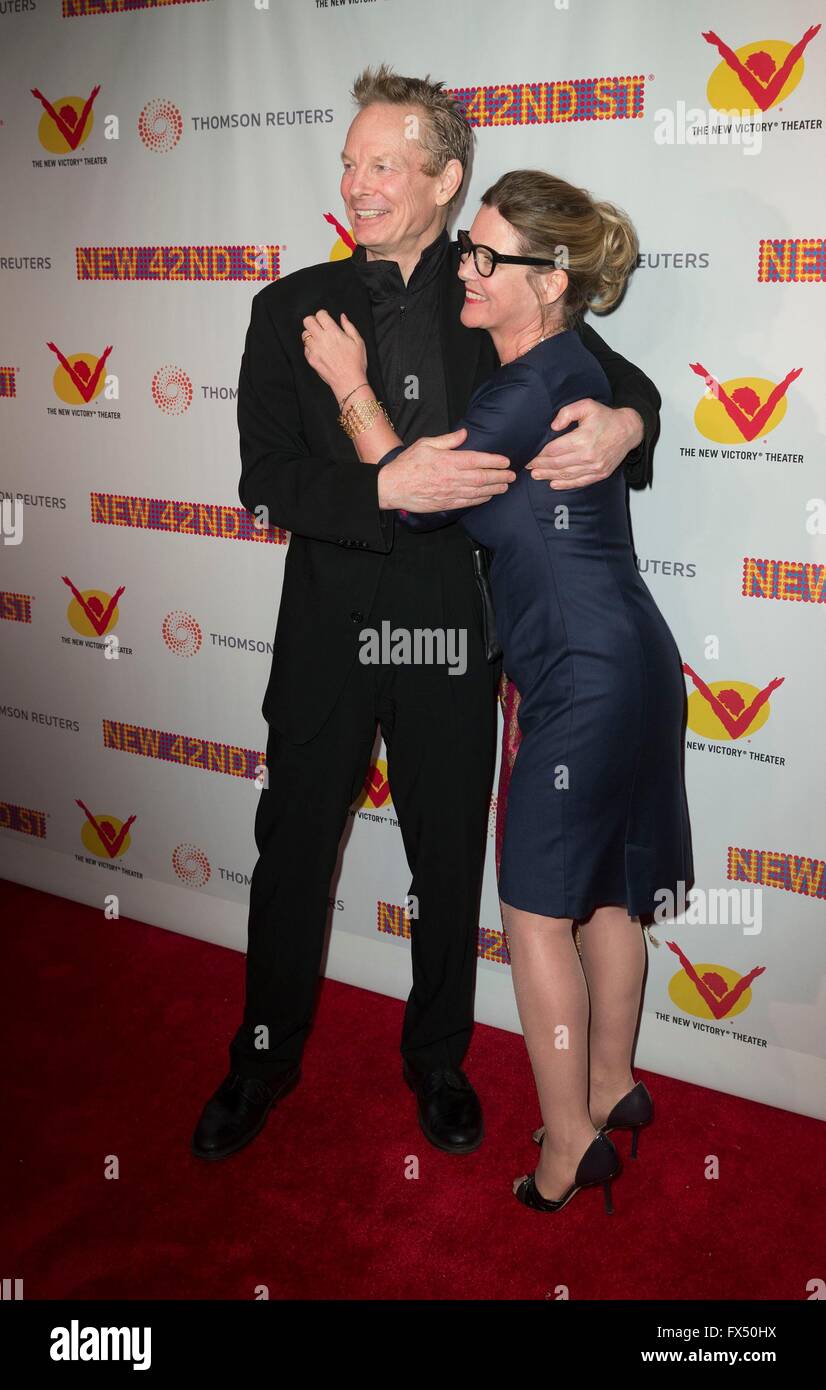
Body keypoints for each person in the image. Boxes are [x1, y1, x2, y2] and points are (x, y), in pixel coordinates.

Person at [191, 65, 662, 1164]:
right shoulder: (287, 307)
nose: (356, 182)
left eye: (384, 163)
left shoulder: (498, 284)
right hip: (328, 627)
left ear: (447, 179)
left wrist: (629, 425)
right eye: (350, 162)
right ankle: (261, 1056)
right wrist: (379, 490)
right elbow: (267, 479)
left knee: (447, 859)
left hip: (457, 630)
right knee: (293, 852)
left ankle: (438, 1058)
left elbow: (620, 373)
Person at [300, 168, 693, 1214]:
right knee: (607, 893)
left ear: (551, 279)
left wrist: (349, 384)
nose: (467, 270)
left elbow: (421, 498)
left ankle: (567, 1144)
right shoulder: (549, 362)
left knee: (532, 918)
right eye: (466, 250)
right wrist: (617, 416)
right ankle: (609, 1086)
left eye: (488, 258)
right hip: (633, 661)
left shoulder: (530, 384)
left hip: (576, 675)